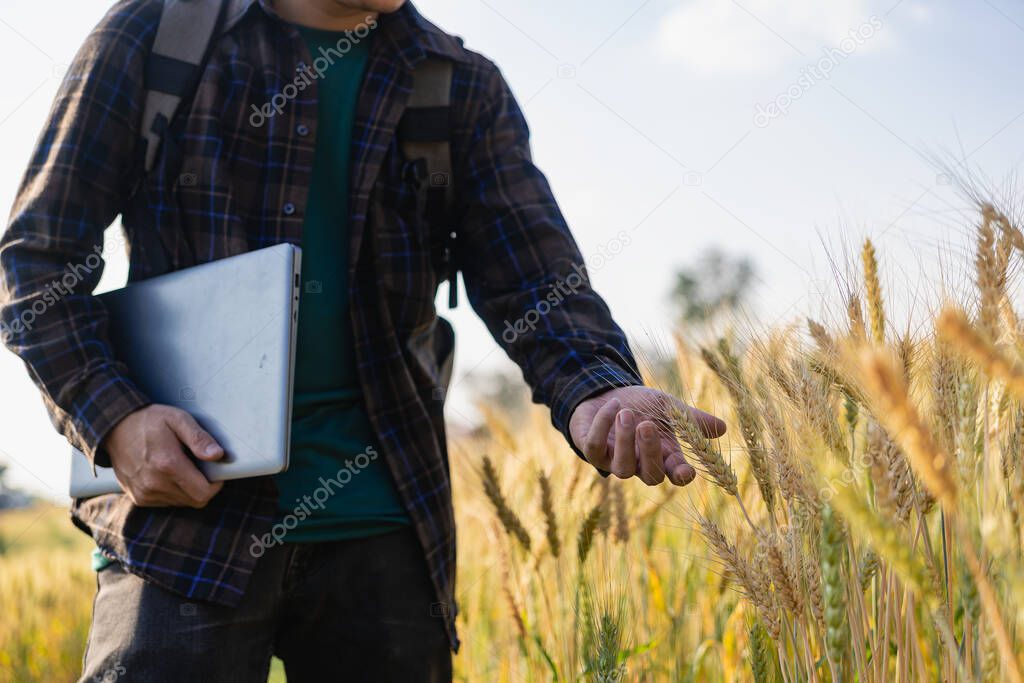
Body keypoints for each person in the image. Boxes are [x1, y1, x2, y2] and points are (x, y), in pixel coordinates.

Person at [0, 0, 725, 680]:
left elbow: (535, 282)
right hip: (178, 532)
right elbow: (35, 261)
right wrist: (117, 419)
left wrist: (599, 388)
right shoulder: (156, 36)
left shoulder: (457, 87)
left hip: (385, 533)